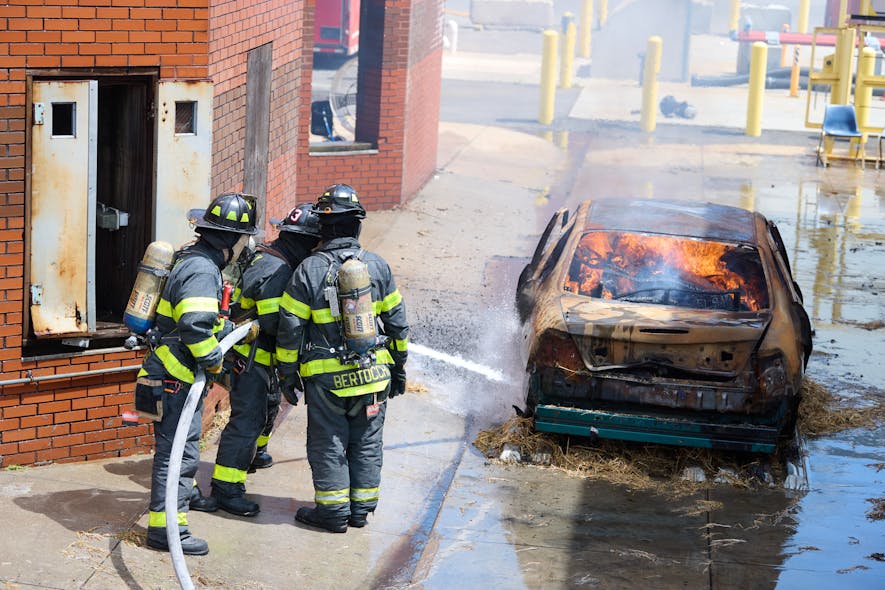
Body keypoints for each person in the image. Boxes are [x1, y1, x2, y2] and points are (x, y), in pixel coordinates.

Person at [276, 183, 409, 532]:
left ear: (322, 226)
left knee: (328, 442)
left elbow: (290, 327)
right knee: (367, 442)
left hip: (327, 382)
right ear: (358, 226)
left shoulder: (308, 270)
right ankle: (361, 510)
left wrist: (287, 374)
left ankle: (333, 513)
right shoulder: (378, 267)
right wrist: (399, 369)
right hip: (374, 378)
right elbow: (397, 324)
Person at [135, 192, 258, 555]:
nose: (245, 246)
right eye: (244, 238)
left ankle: (182, 500)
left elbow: (197, 319)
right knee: (178, 455)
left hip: (166, 372)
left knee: (175, 450)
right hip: (175, 377)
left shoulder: (192, 258)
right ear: (232, 238)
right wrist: (215, 361)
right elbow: (193, 327)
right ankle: (167, 530)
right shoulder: (202, 269)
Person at [207, 203, 321, 516]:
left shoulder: (279, 257)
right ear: (306, 241)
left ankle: (254, 454)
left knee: (267, 407)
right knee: (248, 419)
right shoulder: (278, 269)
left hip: (260, 354)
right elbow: (274, 324)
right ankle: (226, 489)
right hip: (251, 355)